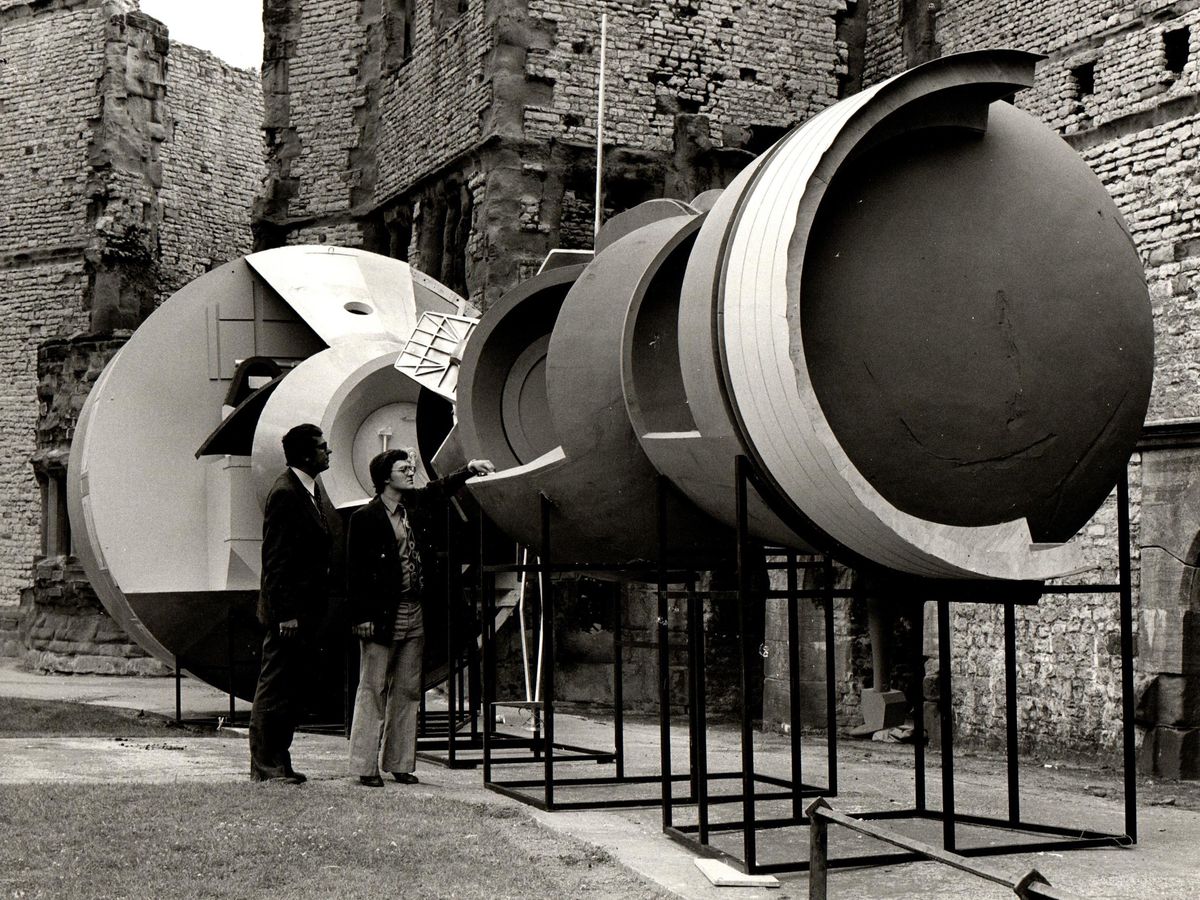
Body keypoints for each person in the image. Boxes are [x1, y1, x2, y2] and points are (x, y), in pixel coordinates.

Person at [347, 447, 495, 787]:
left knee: (408, 688)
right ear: (386, 477)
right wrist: (362, 616)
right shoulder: (365, 518)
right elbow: (355, 571)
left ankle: (400, 761)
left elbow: (439, 488)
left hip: (414, 609)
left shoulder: (411, 507)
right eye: (404, 468)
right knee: (373, 687)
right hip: (383, 613)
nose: (410, 471)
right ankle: (364, 765)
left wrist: (469, 468)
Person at [249, 423, 333, 783]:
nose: (327, 452)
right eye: (322, 447)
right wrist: (285, 615)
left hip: (303, 613)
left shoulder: (308, 489)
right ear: (304, 455)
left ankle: (279, 762)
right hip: (289, 616)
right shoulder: (286, 493)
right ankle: (266, 766)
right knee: (274, 689)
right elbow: (277, 560)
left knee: (289, 691)